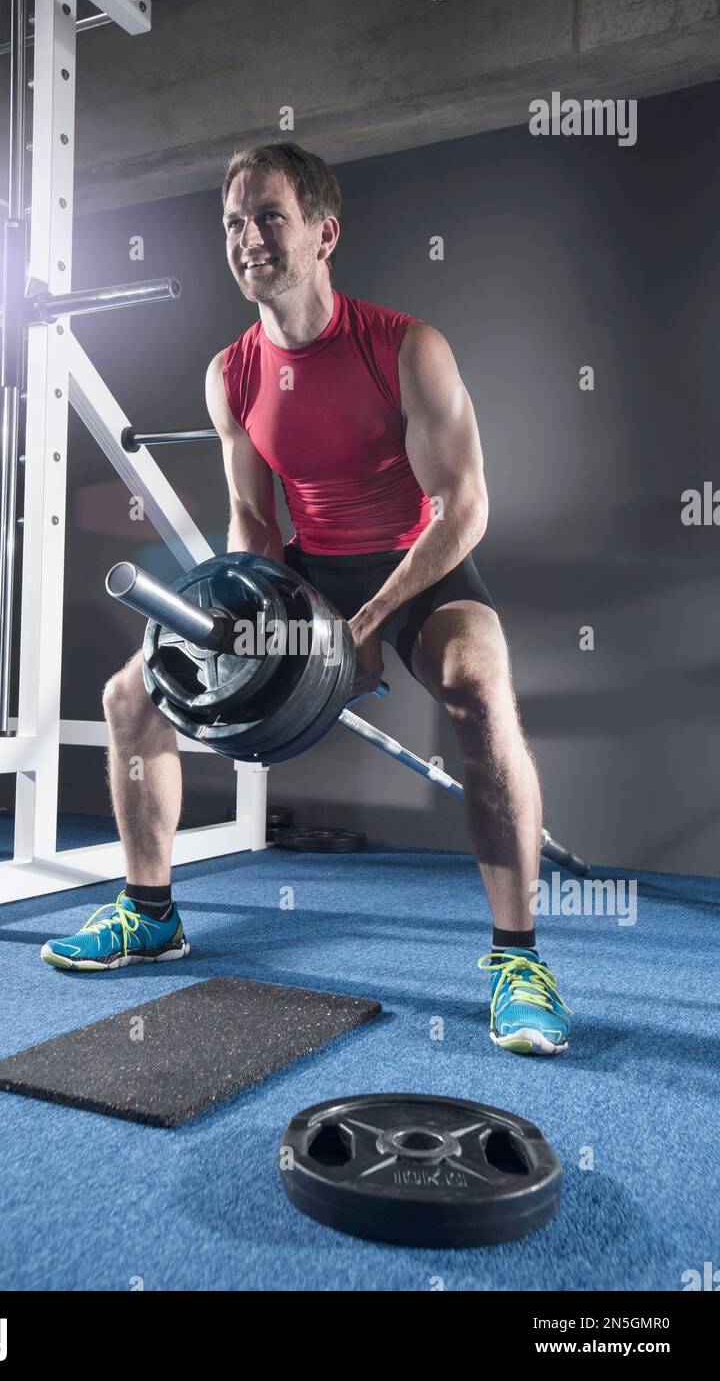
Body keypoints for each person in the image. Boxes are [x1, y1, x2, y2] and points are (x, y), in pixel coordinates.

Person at [42, 142, 572, 1057]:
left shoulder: (407, 346)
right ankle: (150, 911)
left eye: (269, 218)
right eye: (233, 223)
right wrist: (267, 621)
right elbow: (253, 513)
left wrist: (362, 631)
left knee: (479, 689)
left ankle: (519, 960)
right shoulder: (230, 374)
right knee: (133, 695)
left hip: (421, 564)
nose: (247, 238)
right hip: (308, 571)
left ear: (325, 233)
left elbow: (465, 508)